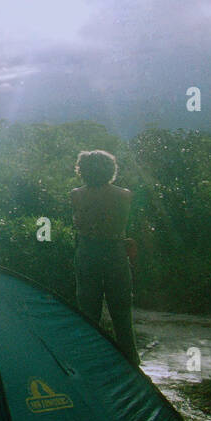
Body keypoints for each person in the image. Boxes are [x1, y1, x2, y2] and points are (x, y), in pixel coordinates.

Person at [69, 150, 140, 366]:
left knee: (88, 309)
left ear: (83, 170)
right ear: (111, 169)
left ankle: (89, 358)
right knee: (121, 308)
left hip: (87, 252)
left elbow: (78, 224)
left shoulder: (76, 194)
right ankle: (130, 359)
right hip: (116, 252)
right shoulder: (125, 194)